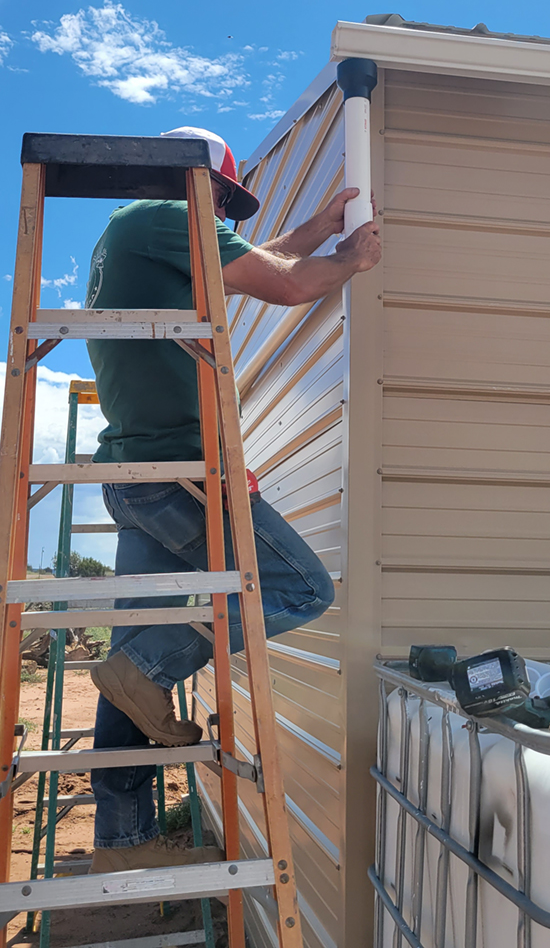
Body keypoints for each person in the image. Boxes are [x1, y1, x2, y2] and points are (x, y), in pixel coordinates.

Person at [84, 125, 381, 874]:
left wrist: (313, 227)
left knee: (131, 652)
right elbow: (286, 282)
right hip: (179, 471)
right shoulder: (162, 217)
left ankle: (122, 840)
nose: (221, 211)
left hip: (138, 473)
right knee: (300, 587)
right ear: (200, 182)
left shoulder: (139, 233)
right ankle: (149, 670)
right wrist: (350, 256)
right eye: (221, 197)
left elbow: (263, 257)